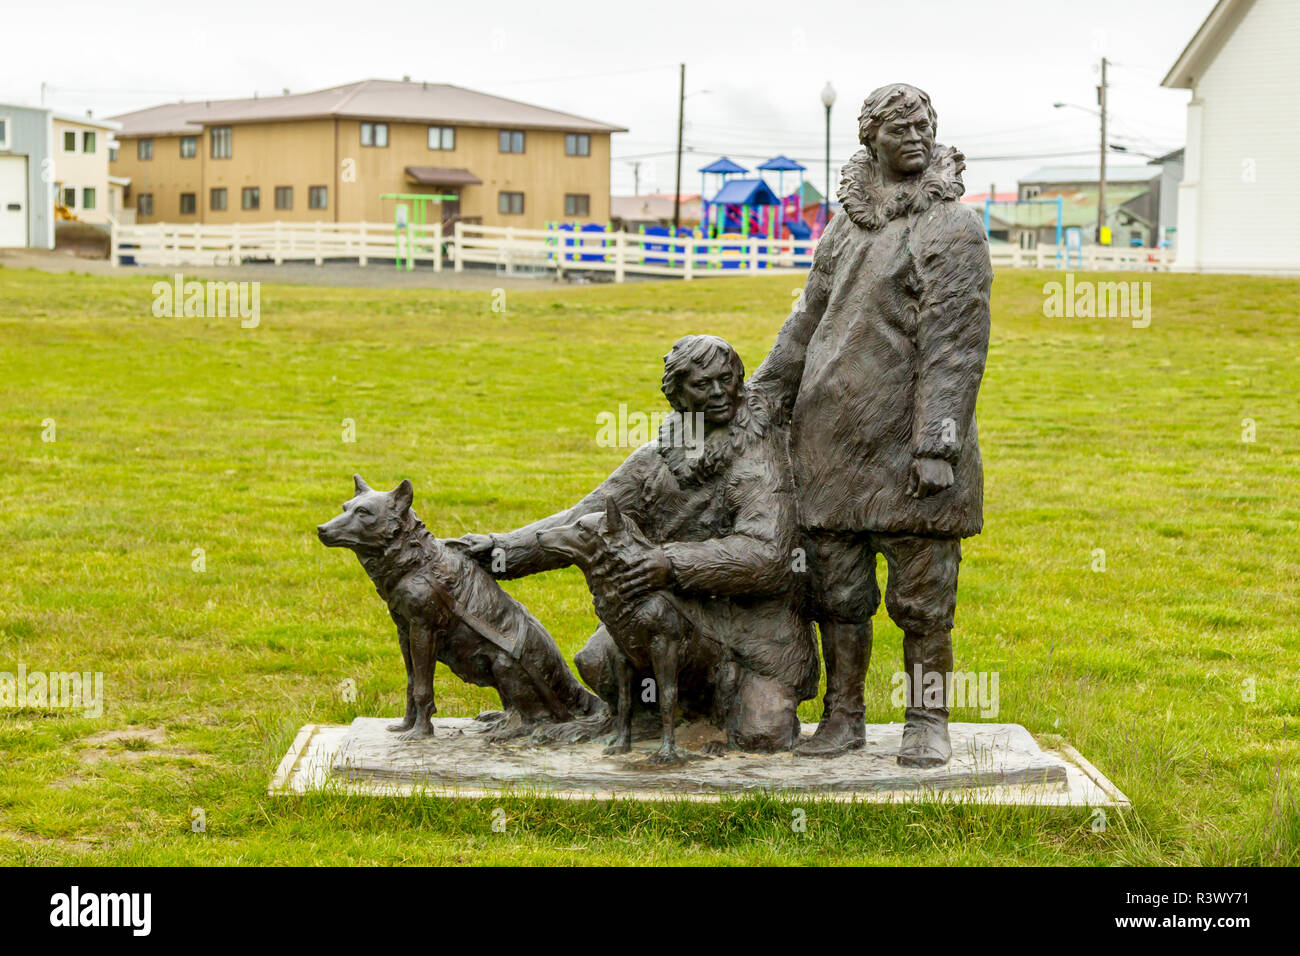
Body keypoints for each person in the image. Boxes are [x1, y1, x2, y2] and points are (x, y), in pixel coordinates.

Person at [750, 83, 992, 765]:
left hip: (912, 451)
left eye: (926, 126)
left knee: (923, 602)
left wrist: (937, 440)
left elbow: (957, 341)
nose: (916, 136)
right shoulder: (846, 226)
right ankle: (844, 715)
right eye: (900, 127)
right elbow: (808, 318)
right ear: (871, 138)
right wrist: (766, 392)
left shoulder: (953, 227)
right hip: (830, 443)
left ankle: (926, 718)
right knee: (839, 596)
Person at [456, 334, 818, 752]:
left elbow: (768, 556)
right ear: (678, 396)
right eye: (703, 385)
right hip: (678, 617)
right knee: (598, 662)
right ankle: (665, 718)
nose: (720, 393)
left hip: (754, 633)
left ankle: (708, 711)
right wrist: (501, 551)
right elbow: (584, 518)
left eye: (728, 379)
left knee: (762, 735)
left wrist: (669, 562)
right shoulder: (658, 459)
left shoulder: (759, 453)